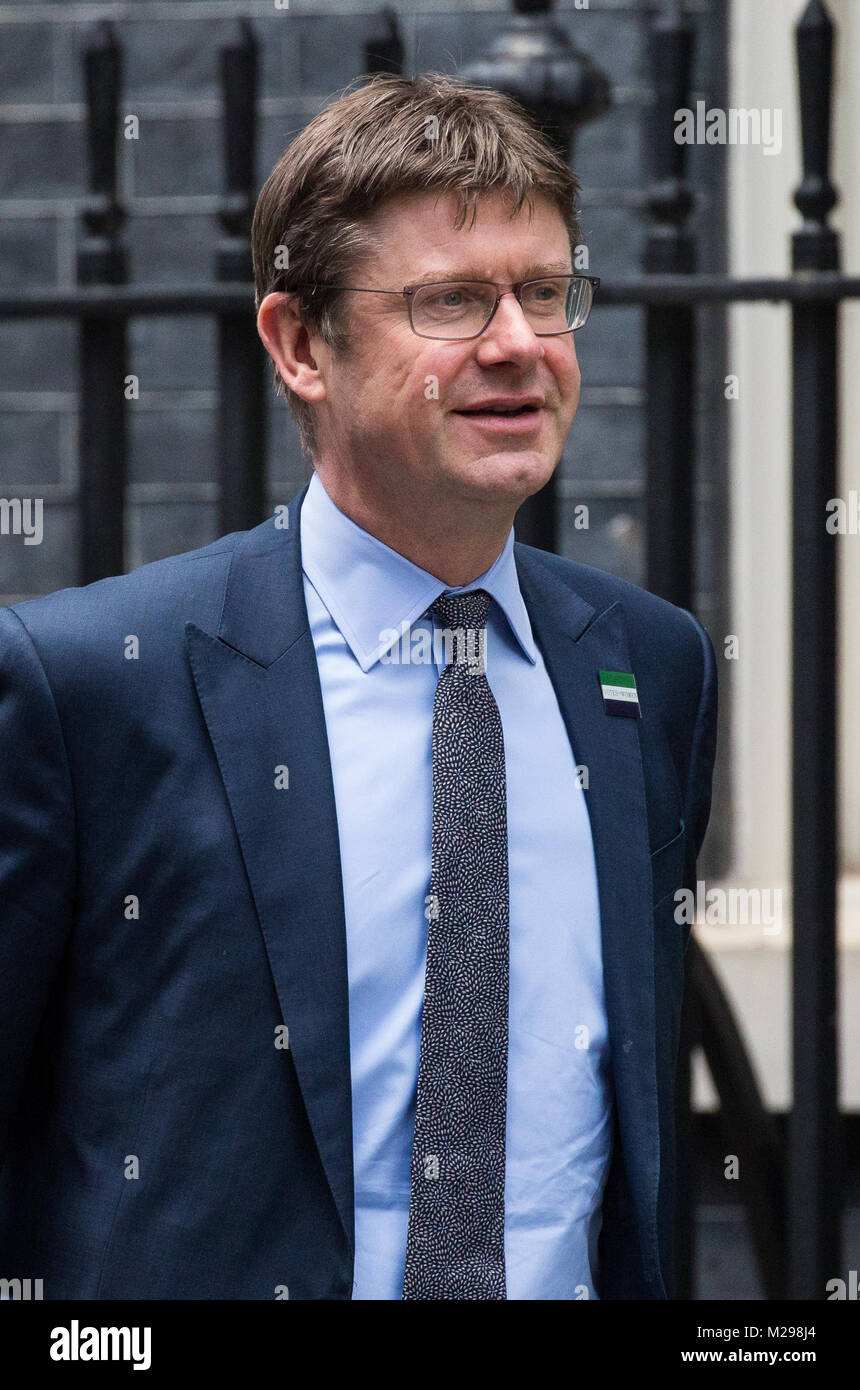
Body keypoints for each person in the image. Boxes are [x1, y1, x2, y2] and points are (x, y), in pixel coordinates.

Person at [0, 73, 717, 1300]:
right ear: (297, 344)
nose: (516, 345)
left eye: (545, 295)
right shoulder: (87, 683)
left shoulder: (648, 664)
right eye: (449, 300)